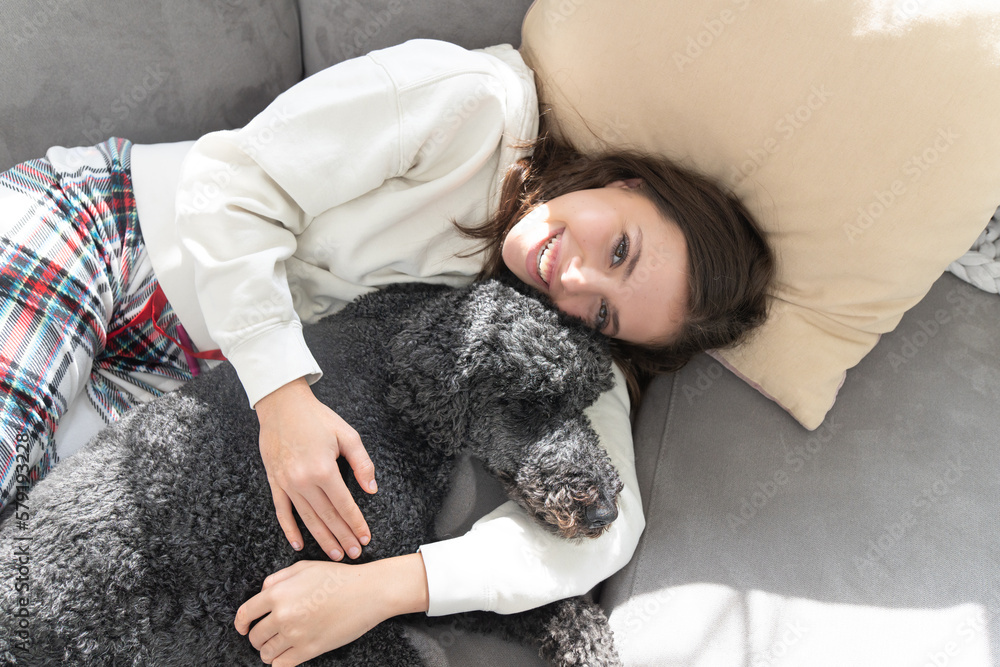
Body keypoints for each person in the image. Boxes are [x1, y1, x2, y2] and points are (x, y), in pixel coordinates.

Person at [0, 39, 773, 667]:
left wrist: (383, 590)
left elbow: (604, 530)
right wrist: (283, 397)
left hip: (177, 388)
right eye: (621, 246)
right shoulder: (474, 108)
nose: (571, 277)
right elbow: (230, 180)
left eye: (604, 311)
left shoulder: (541, 329)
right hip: (109, 234)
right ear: (629, 181)